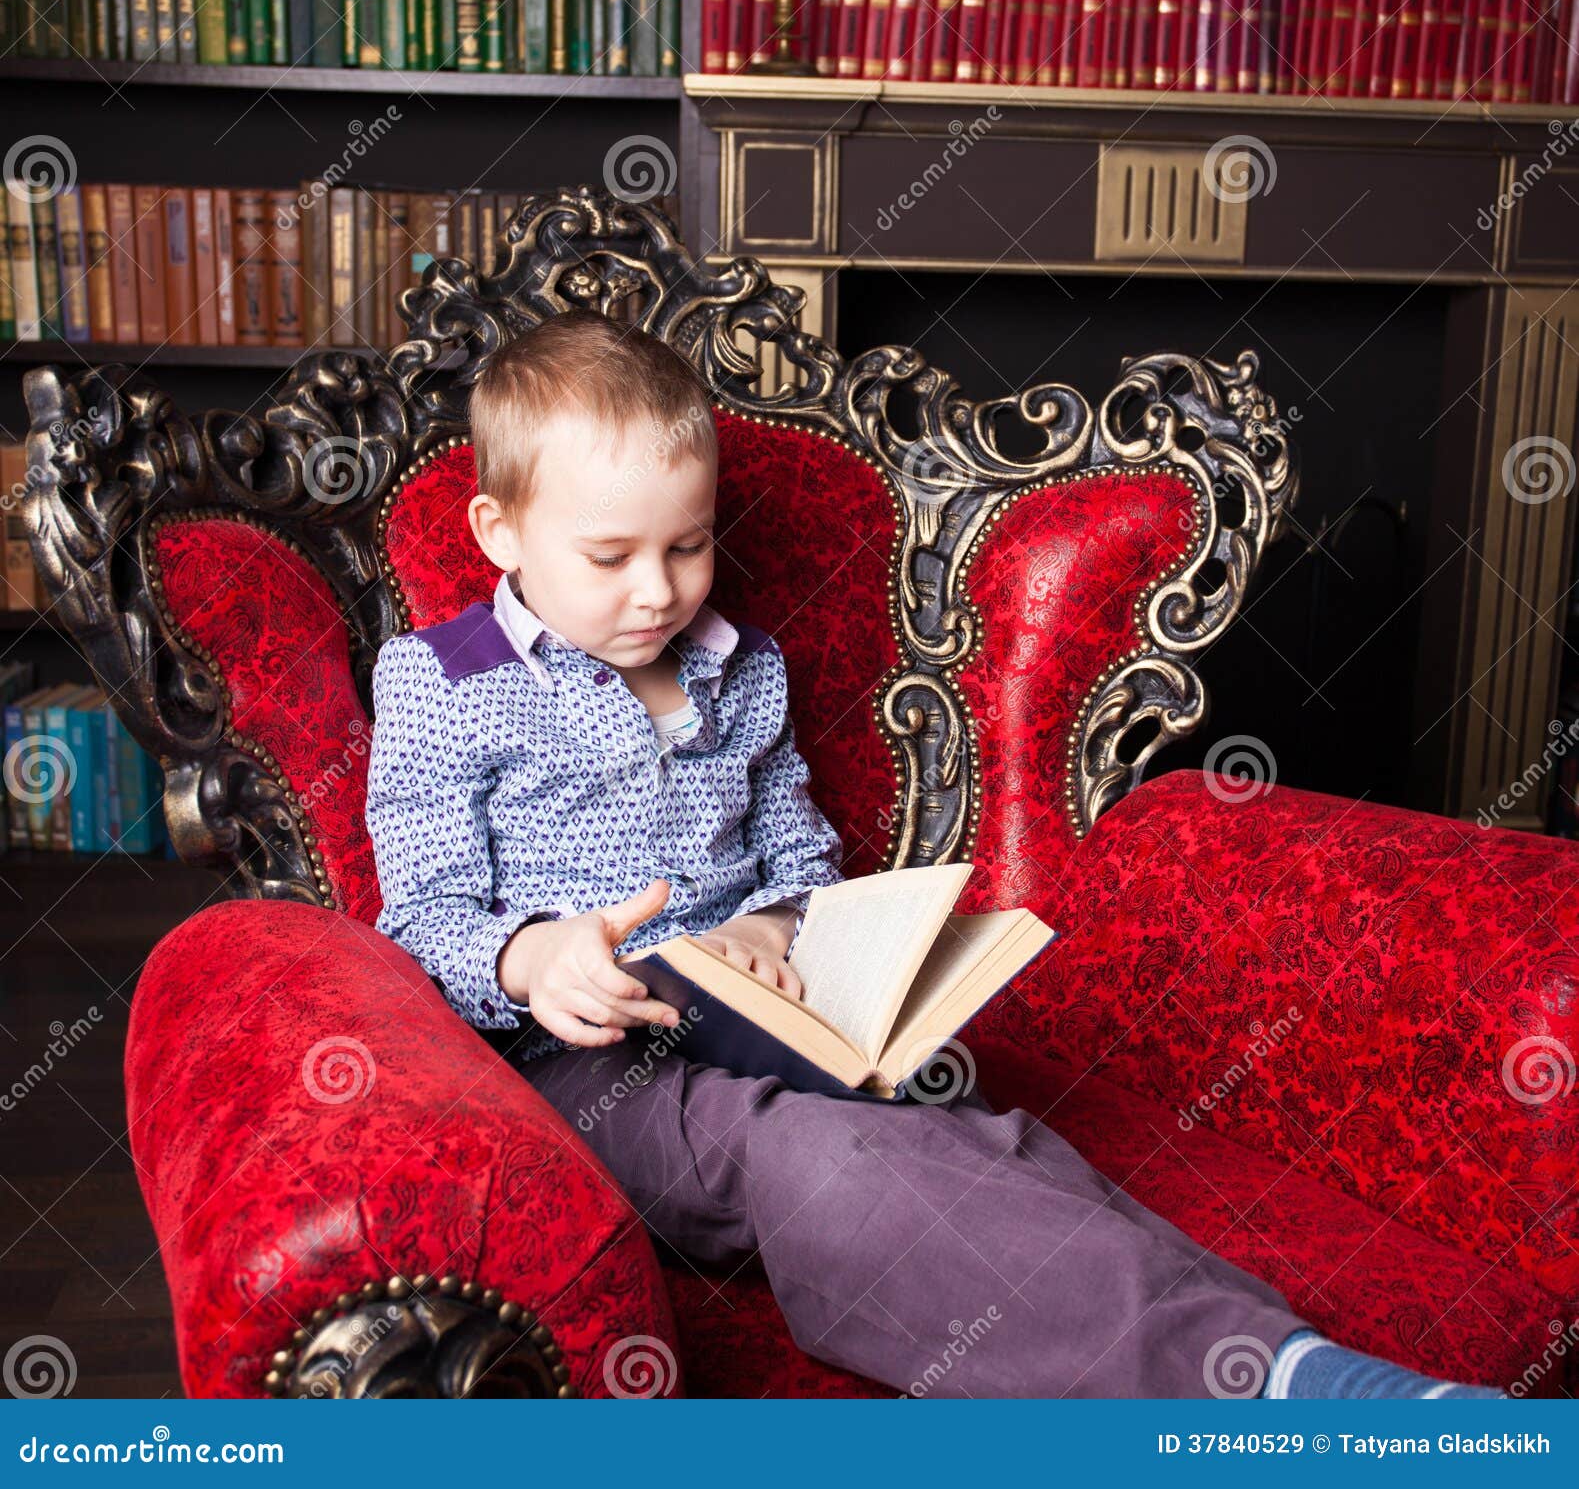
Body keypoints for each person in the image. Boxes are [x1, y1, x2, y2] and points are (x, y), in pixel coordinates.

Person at [364, 308, 1507, 1400]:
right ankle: (1260, 1394)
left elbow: (799, 858)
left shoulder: (738, 665)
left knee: (976, 1130)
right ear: (498, 532)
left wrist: (770, 931)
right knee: (817, 1156)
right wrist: (535, 959)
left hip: (768, 1018)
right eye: (609, 556)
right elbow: (415, 919)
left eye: (690, 545)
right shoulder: (440, 680)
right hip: (585, 1063)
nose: (658, 590)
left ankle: (1289, 1365)